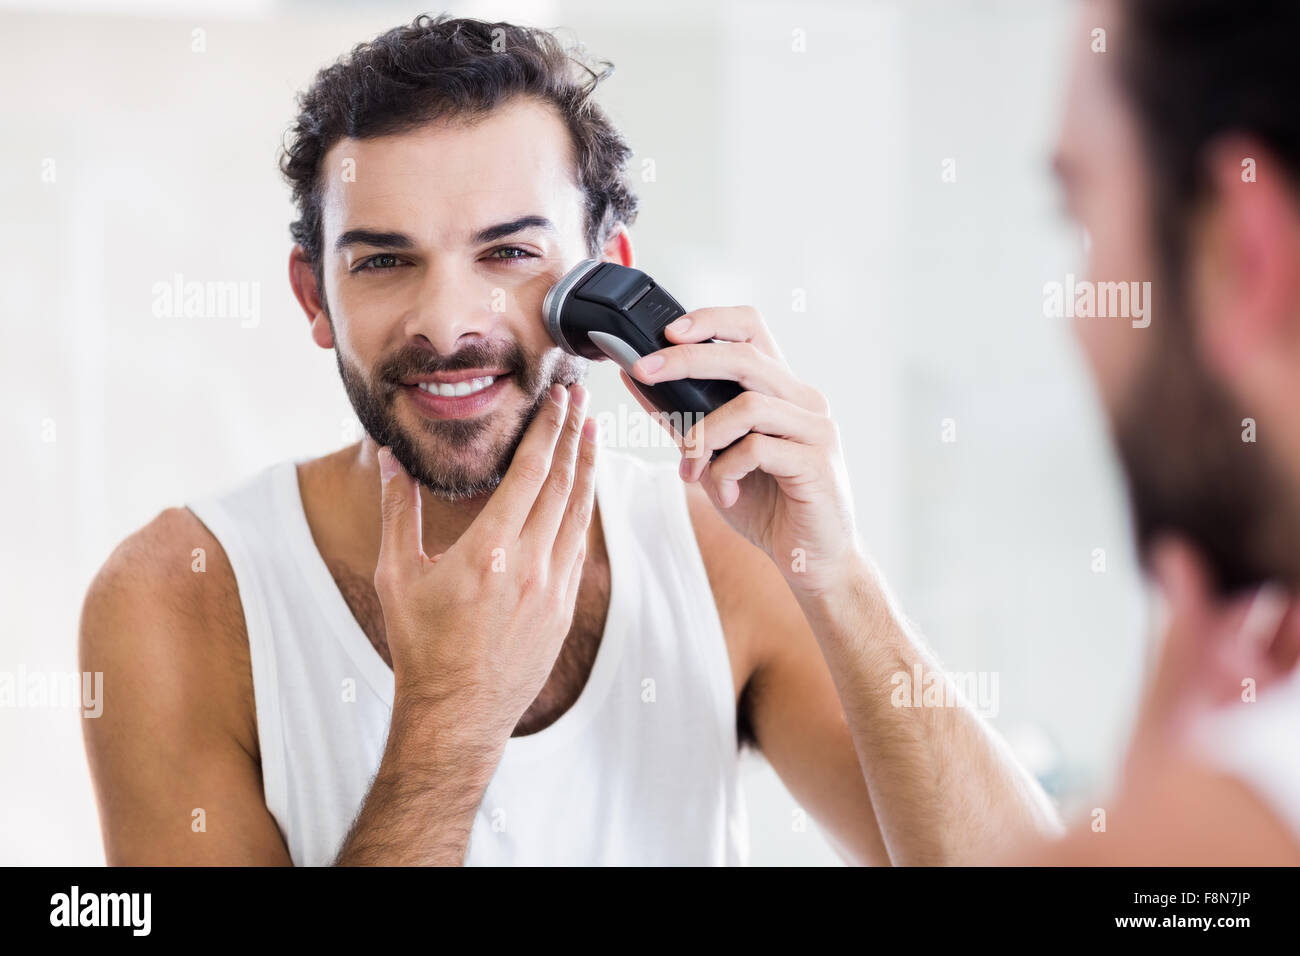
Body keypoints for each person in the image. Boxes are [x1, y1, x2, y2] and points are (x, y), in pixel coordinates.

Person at [78, 14, 1057, 865]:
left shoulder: (717, 552)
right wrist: (448, 721)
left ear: (608, 277)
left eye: (507, 251)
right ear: (314, 295)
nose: (448, 320)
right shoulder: (179, 598)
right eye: (384, 259)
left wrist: (836, 573)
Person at [1007, 0, 1300, 863]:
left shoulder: (1218, 834)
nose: (1078, 320)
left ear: (1243, 249)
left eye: (1085, 216)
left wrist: (1147, 812)